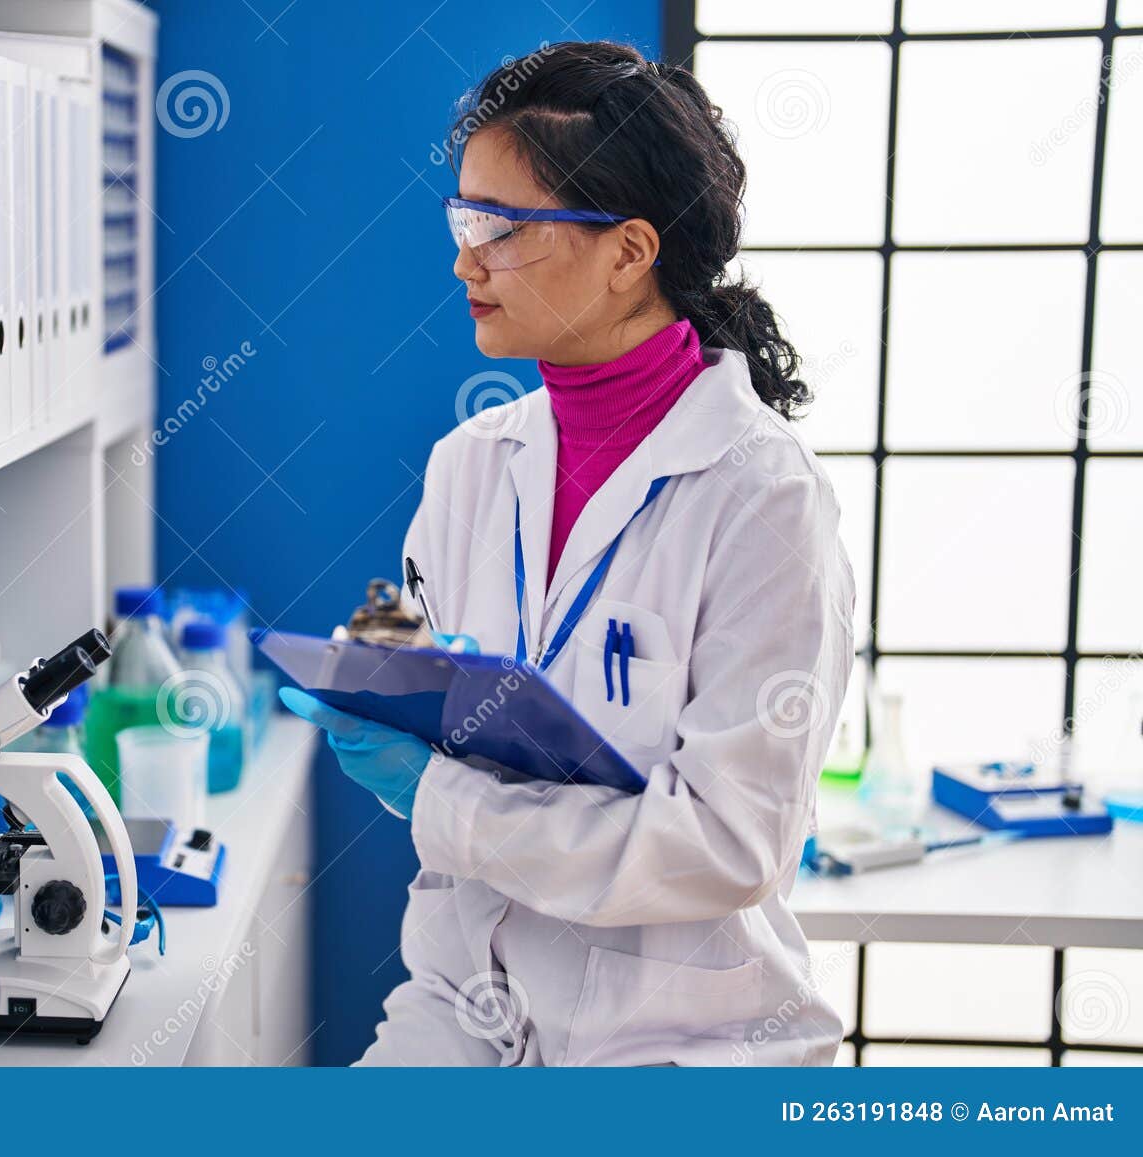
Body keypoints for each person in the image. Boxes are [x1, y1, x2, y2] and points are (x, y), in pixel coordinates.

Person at [281, 40, 856, 1066]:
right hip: (464, 1011)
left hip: (685, 1044)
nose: (465, 261)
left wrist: (440, 797)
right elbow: (440, 701)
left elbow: (727, 844)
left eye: (499, 228)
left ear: (629, 252)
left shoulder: (762, 500)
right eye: (462, 220)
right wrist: (387, 686)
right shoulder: (470, 465)